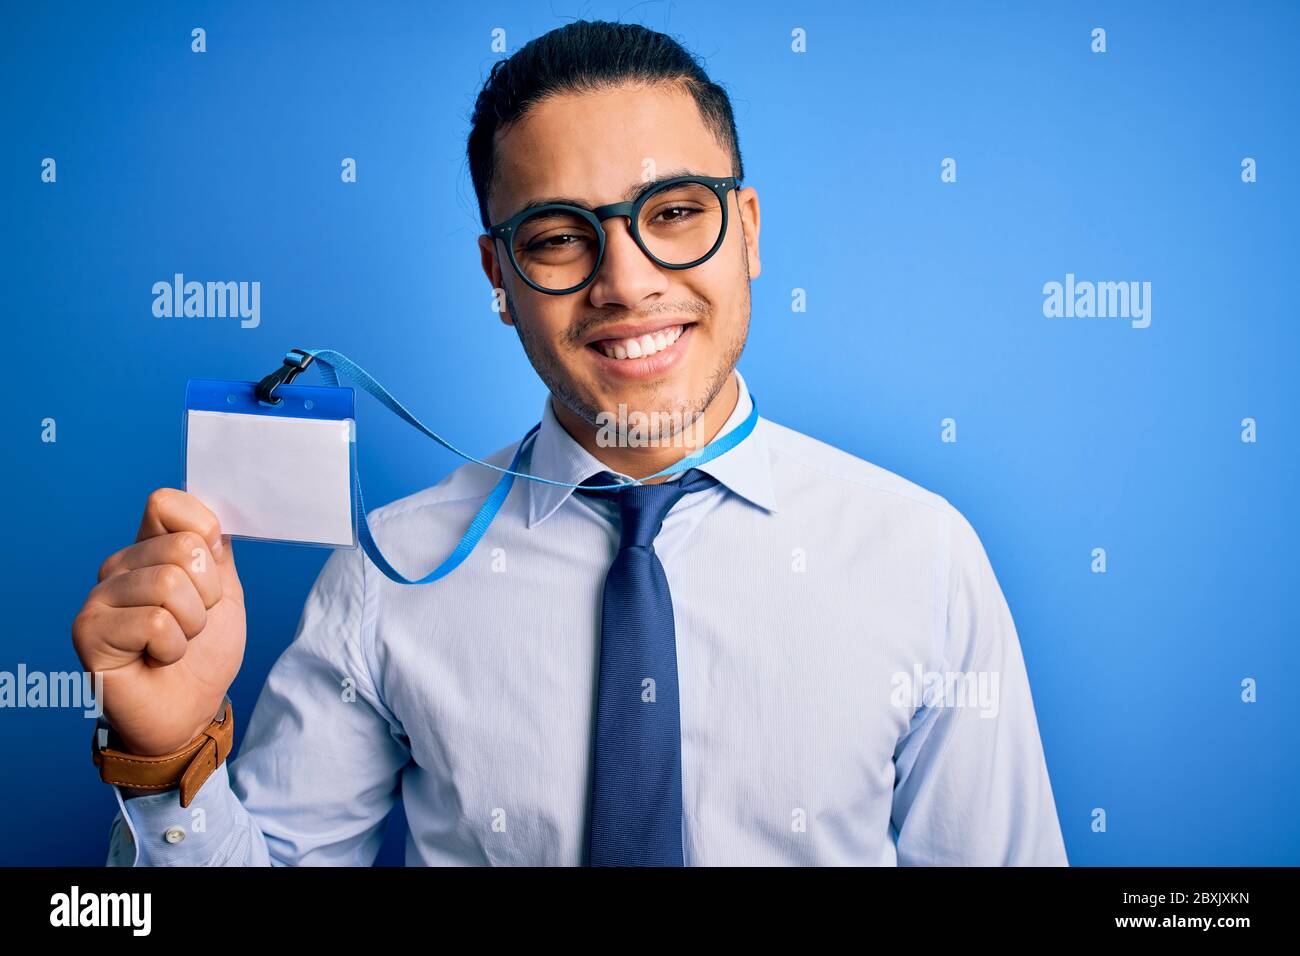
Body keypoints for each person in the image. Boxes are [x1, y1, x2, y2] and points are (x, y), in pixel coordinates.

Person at [72, 19, 1068, 866]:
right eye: (557, 236)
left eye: (675, 213)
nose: (626, 281)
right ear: (497, 276)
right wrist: (165, 761)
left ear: (749, 229)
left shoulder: (921, 556)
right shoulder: (387, 571)